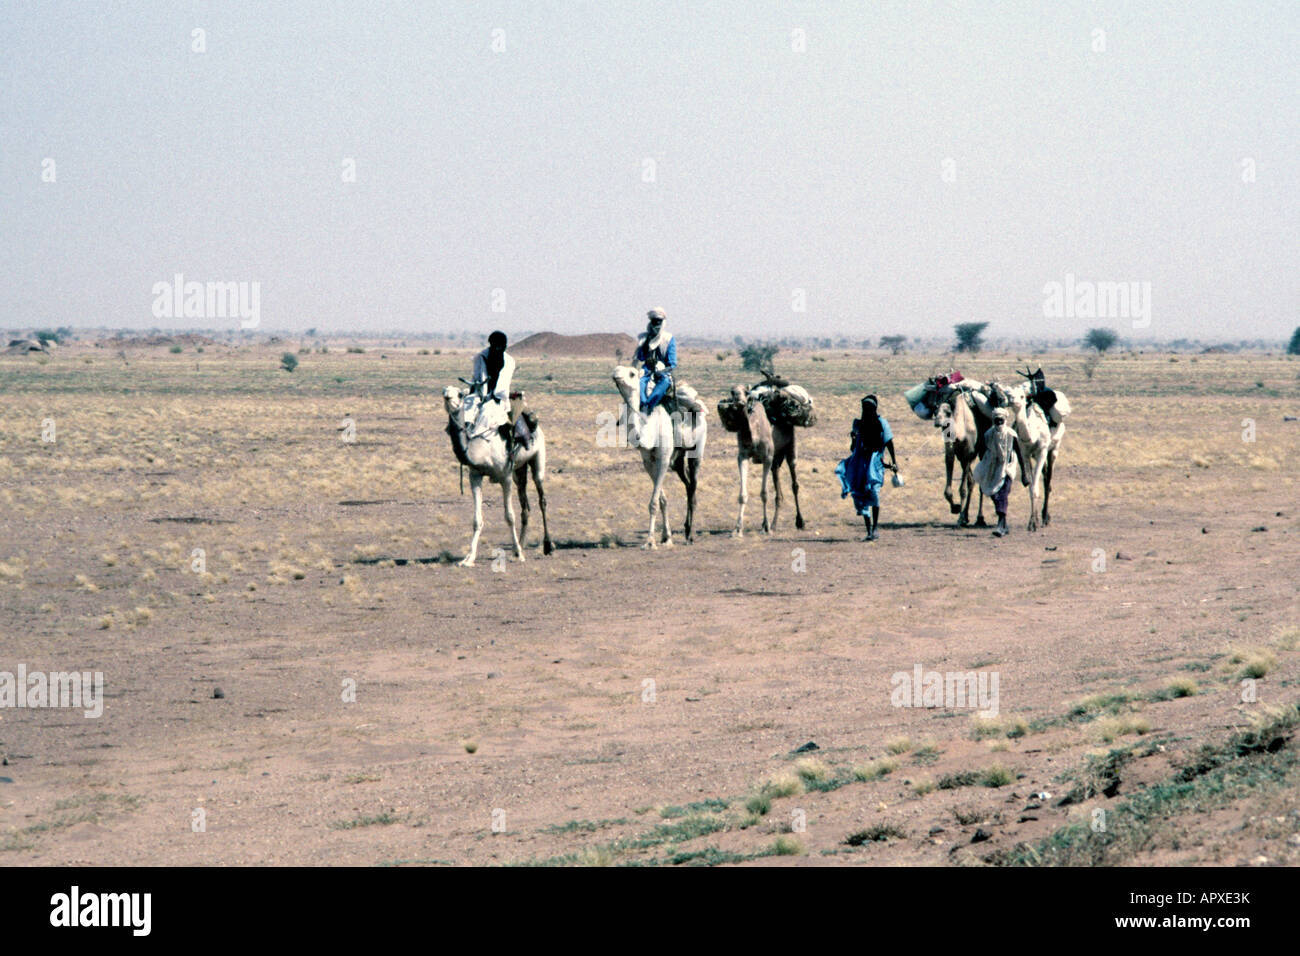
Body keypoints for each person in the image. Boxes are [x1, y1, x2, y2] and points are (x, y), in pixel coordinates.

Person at [835, 395, 898, 541]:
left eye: (869, 408)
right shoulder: (858, 424)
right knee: (860, 494)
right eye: (865, 408)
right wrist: (854, 439)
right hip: (860, 463)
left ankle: (875, 528)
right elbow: (853, 449)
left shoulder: (882, 423)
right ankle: (869, 530)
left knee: (873, 493)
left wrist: (894, 462)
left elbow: (889, 443)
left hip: (875, 463)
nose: (866, 411)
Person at [470, 330, 518, 457]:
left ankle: (509, 447)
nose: (497, 349)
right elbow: (475, 377)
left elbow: (504, 384)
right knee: (466, 413)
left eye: (500, 347)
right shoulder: (480, 357)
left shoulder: (509, 361)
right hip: (480, 395)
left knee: (489, 413)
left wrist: (494, 396)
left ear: (505, 347)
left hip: (498, 399)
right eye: (494, 346)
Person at [973, 407, 1020, 537]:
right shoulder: (989, 434)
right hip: (993, 467)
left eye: (1001, 420)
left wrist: (1025, 473)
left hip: (1007, 467)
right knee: (994, 494)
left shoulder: (1011, 434)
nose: (999, 422)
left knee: (1003, 494)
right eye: (996, 420)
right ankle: (1003, 524)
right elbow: (982, 450)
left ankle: (1000, 525)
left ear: (1005, 420)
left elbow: (1019, 452)